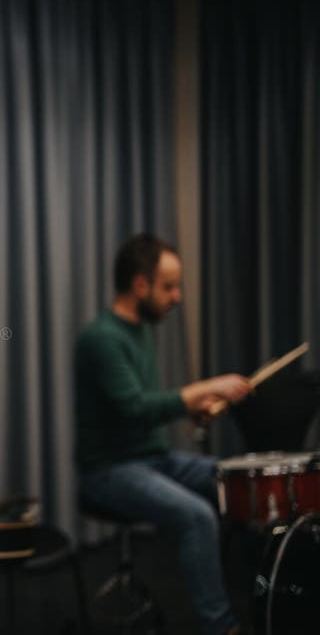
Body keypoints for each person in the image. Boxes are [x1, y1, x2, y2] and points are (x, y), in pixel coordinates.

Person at [74, 234, 251, 635]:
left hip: (152, 458)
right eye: (169, 286)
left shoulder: (138, 330)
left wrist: (194, 409)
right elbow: (135, 409)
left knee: (236, 479)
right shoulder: (101, 339)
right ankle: (221, 627)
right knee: (197, 516)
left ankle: (269, 594)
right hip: (109, 469)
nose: (177, 297)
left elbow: (142, 410)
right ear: (140, 285)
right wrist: (205, 389)